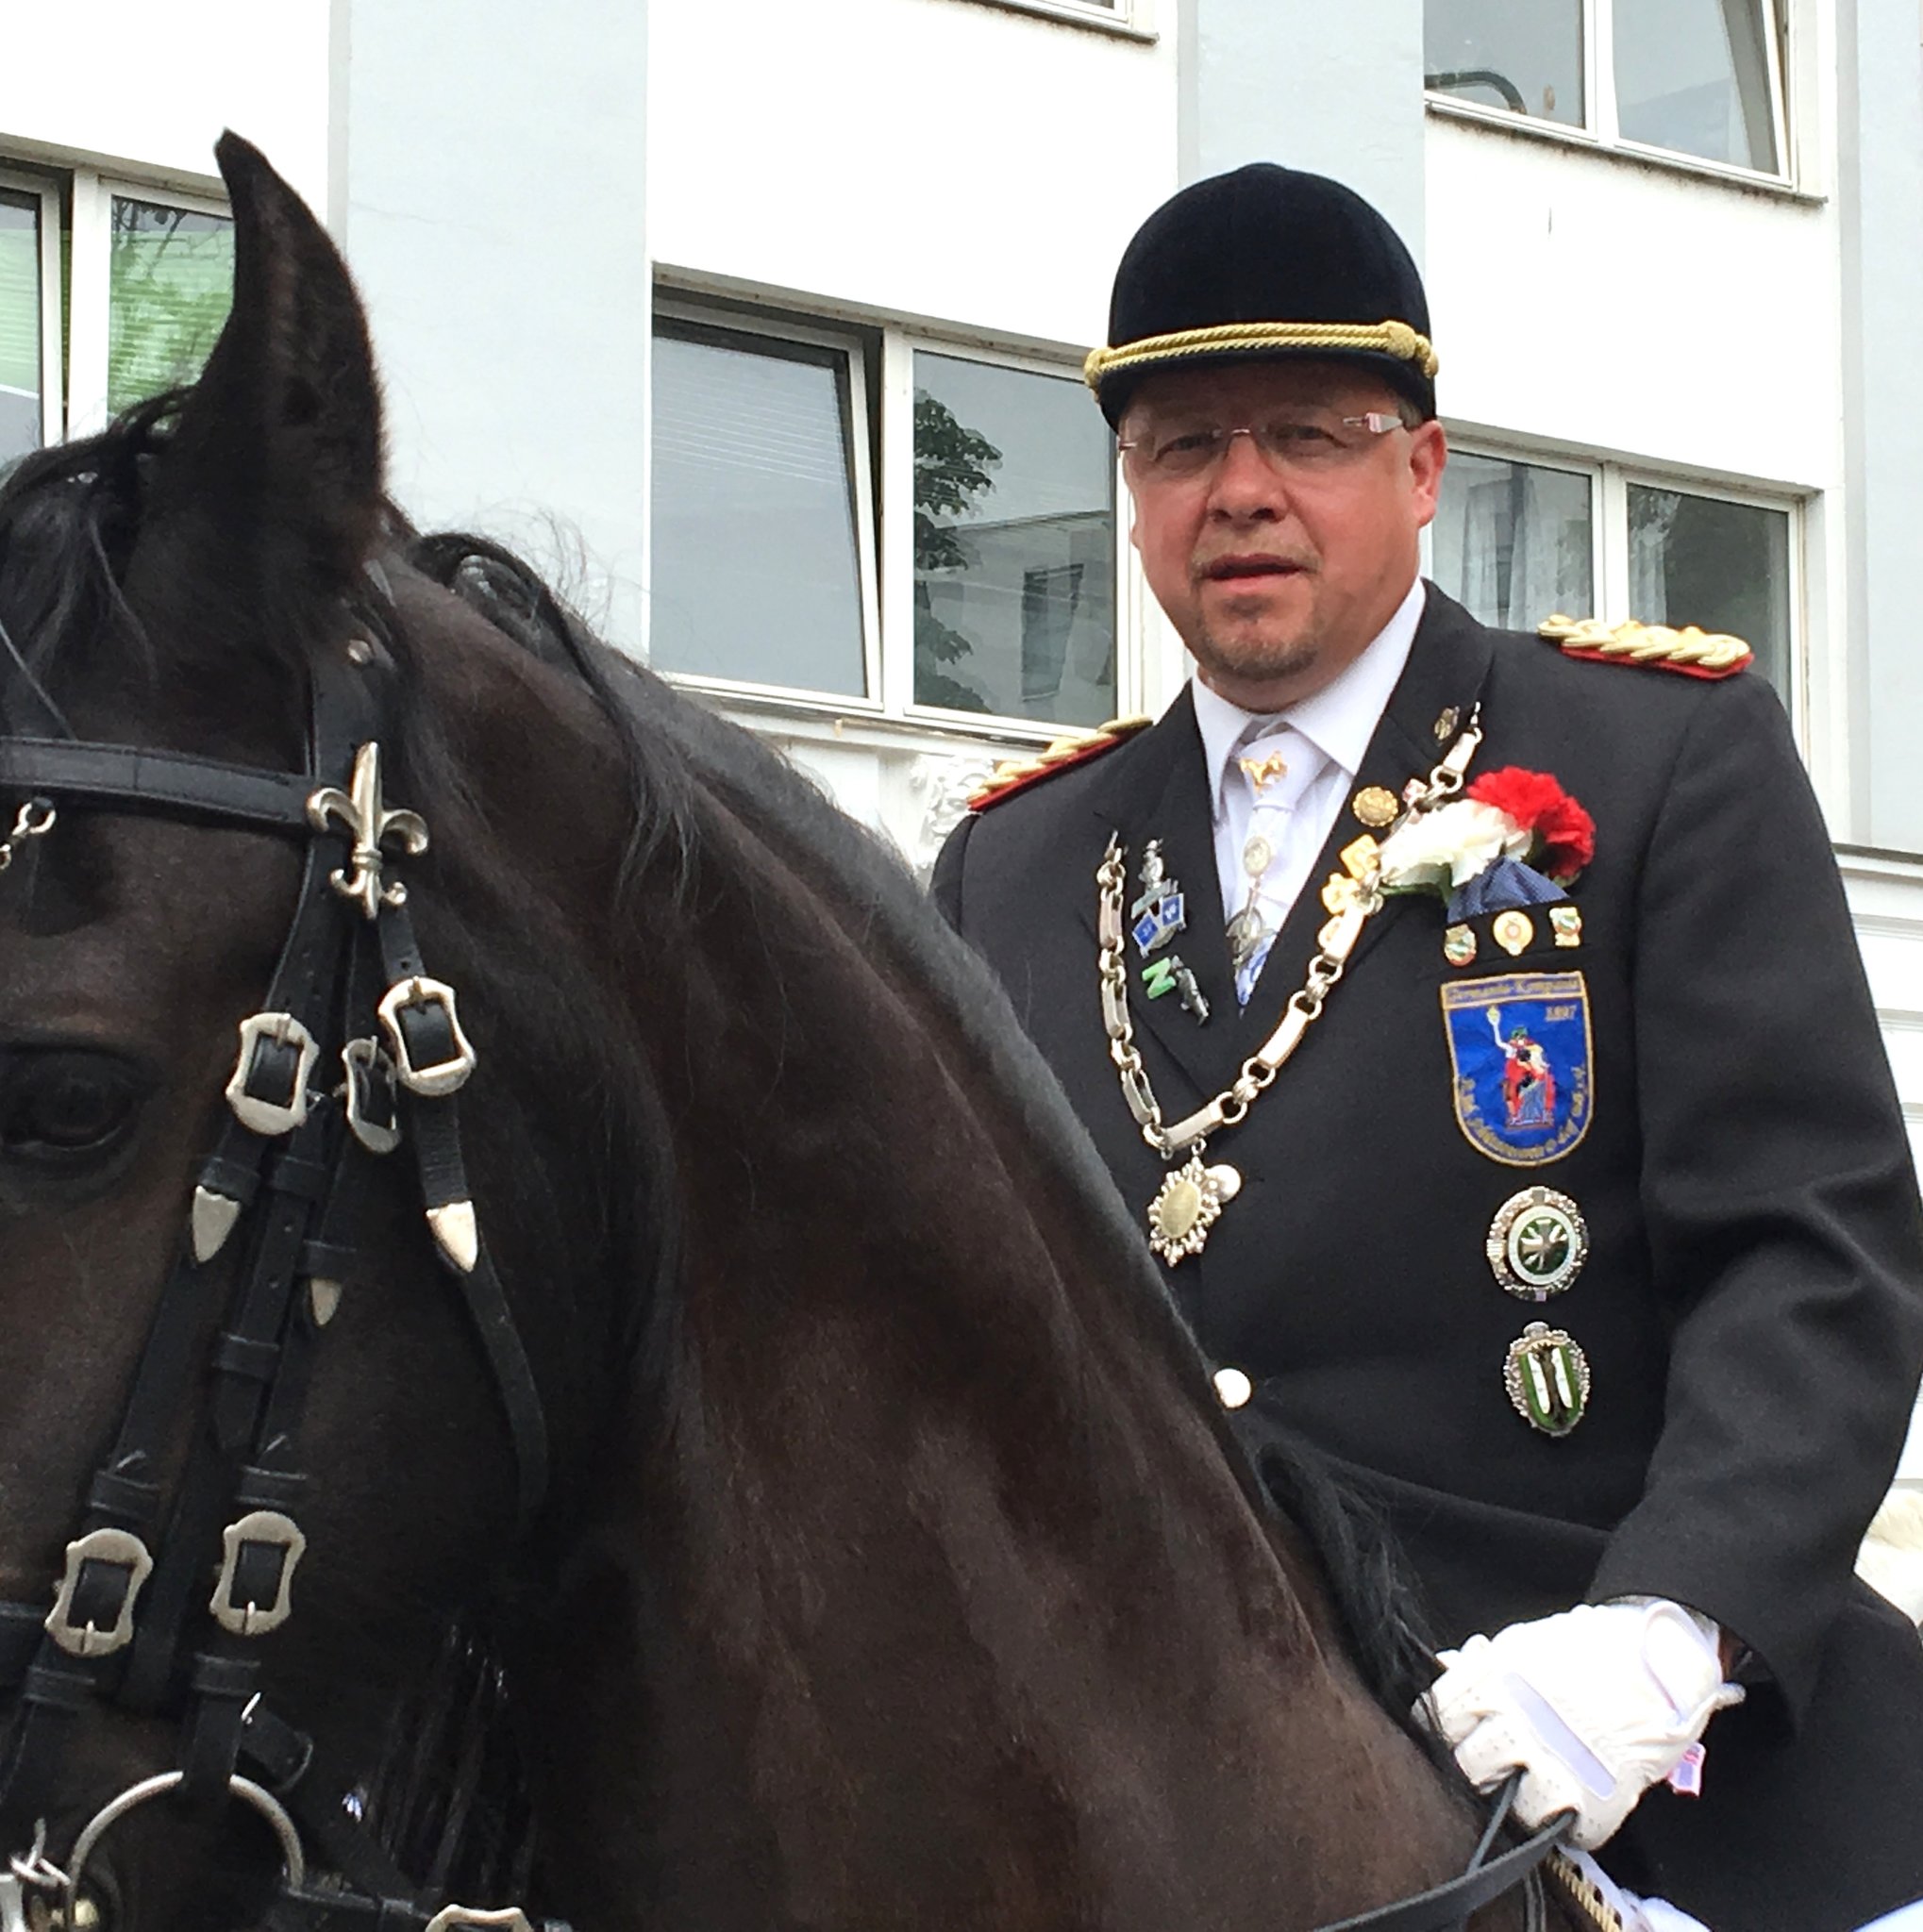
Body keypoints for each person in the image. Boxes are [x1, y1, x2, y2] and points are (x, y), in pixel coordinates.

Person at [932, 162, 1923, 1931]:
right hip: (1156, 1787)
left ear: (1421, 467)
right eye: (1178, 447)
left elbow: (1811, 1255)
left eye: (1305, 432)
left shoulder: (1649, 759)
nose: (1239, 494)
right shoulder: (1015, 866)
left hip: (1621, 1758)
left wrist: (1669, 1628)